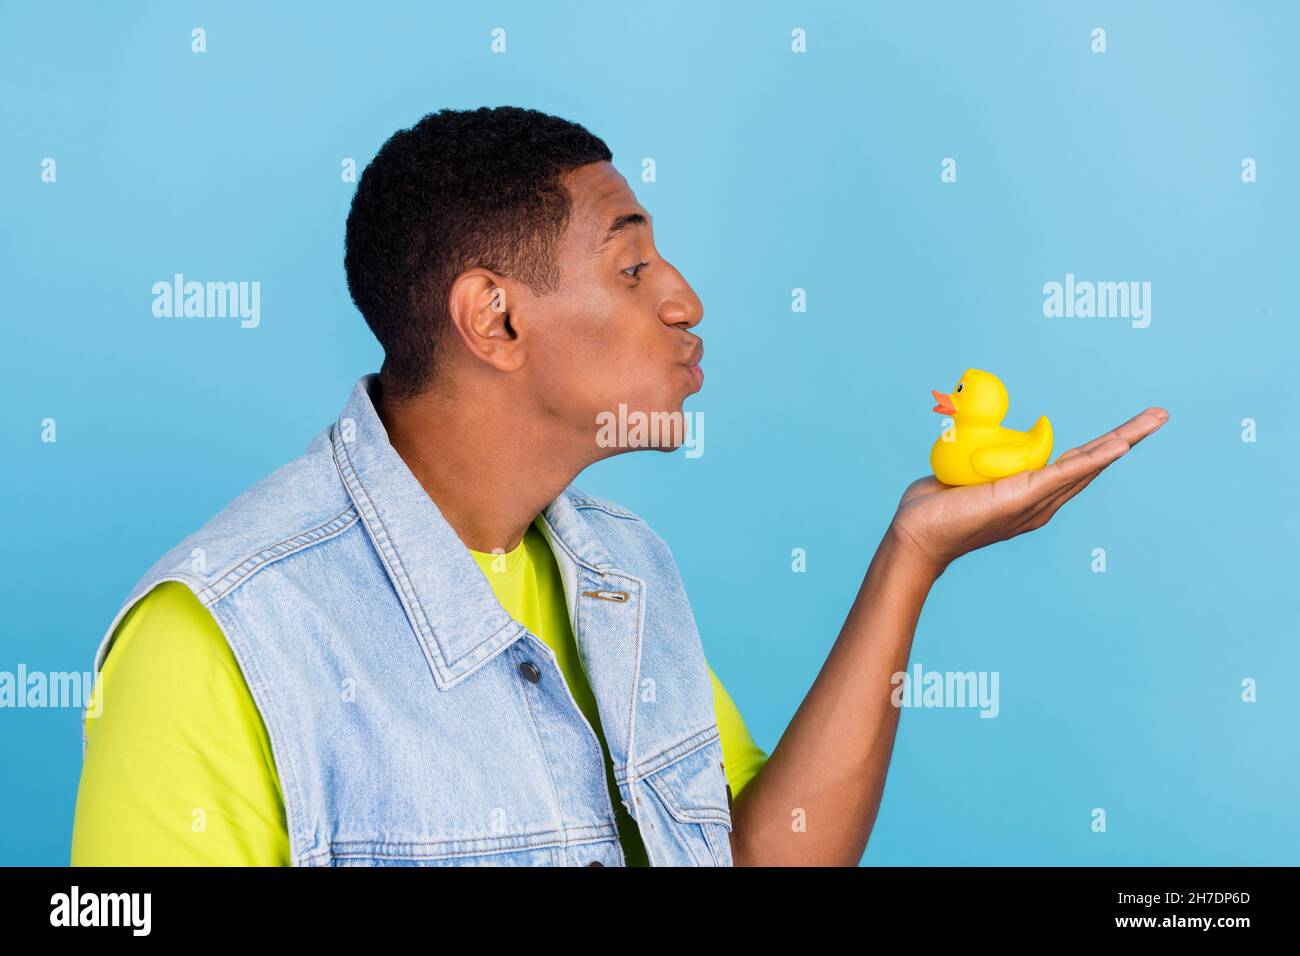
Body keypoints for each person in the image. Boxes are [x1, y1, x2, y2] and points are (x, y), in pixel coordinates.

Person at [71, 106, 1167, 866]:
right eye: (632, 266)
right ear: (494, 317)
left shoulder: (624, 567)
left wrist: (910, 558)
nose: (683, 298)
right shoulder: (216, 640)